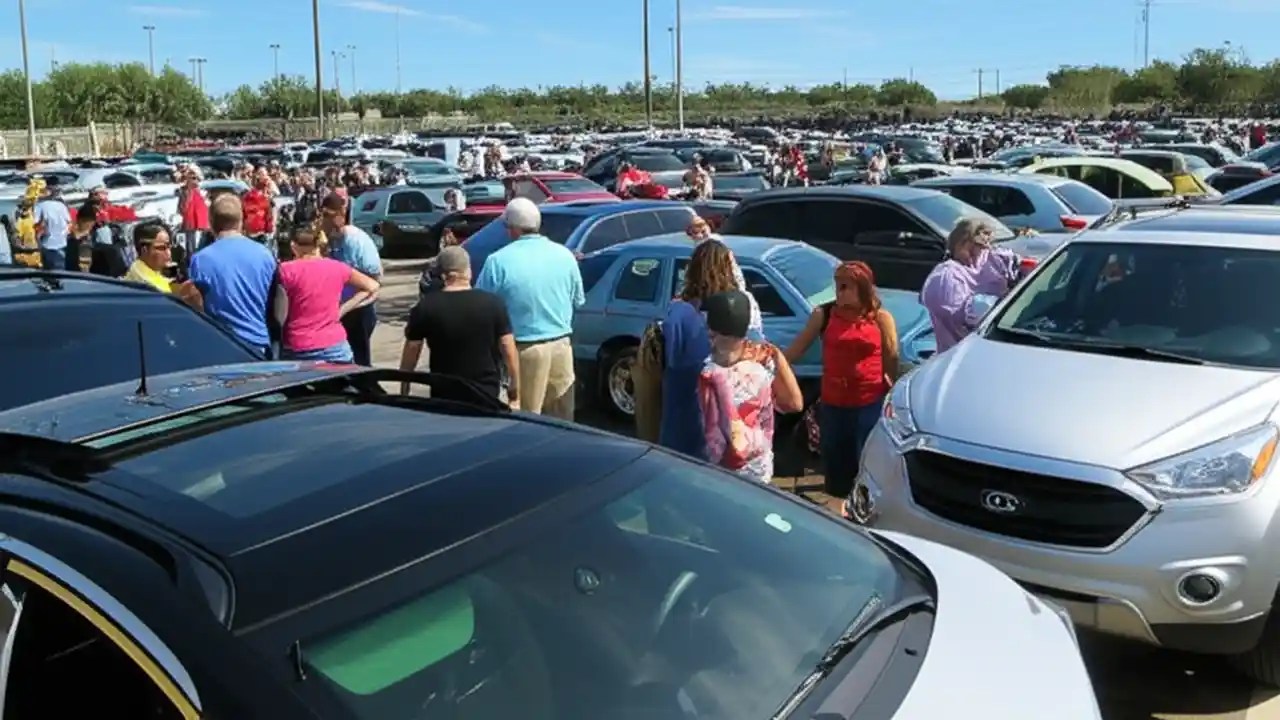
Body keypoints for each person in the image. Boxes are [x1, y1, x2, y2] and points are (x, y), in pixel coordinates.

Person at [785, 261, 899, 506]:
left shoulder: (880, 318)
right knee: (836, 461)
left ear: (863, 288)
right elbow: (798, 348)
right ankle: (838, 506)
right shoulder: (823, 315)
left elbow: (892, 355)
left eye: (846, 286)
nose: (840, 291)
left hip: (869, 401)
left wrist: (890, 385)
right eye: (838, 285)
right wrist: (772, 365)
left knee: (867, 460)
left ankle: (865, 506)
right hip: (834, 402)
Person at [474, 198, 583, 419]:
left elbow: (482, 307)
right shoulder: (565, 255)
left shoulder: (498, 261)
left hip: (523, 349)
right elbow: (578, 300)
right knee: (562, 420)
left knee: (527, 420)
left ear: (511, 229)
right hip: (561, 345)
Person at [697, 290, 803, 482]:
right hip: (759, 471)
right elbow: (794, 403)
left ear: (712, 331)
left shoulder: (706, 370)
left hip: (719, 472)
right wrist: (776, 355)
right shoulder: (765, 362)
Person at [400, 247, 520, 407]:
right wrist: (514, 386)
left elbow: (412, 349)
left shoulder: (426, 307)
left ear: (442, 275)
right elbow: (507, 347)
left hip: (445, 390)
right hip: (485, 390)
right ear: (468, 272)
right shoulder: (493, 303)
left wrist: (404, 385)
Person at [657, 240, 742, 457]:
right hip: (726, 416)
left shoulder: (679, 311)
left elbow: (671, 359)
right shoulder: (738, 308)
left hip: (684, 412)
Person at [188, 194, 279, 356]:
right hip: (258, 344)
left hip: (221, 346)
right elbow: (275, 303)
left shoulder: (201, 260)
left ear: (211, 222)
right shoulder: (265, 254)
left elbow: (197, 308)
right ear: (242, 220)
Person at [274, 227, 380, 362]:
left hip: (297, 347)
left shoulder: (285, 270)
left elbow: (279, 314)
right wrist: (342, 310)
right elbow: (372, 287)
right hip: (335, 347)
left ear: (293, 246)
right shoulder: (338, 267)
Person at [920, 218, 1021, 353]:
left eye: (981, 246)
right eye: (970, 245)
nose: (976, 252)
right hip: (958, 354)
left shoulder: (997, 260)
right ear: (958, 244)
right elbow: (961, 317)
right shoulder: (945, 277)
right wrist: (1004, 305)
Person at [318, 194, 382, 365]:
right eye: (322, 216)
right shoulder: (329, 240)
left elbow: (375, 280)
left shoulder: (355, 240)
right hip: (338, 310)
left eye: (327, 216)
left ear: (339, 215)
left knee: (360, 363)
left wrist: (347, 307)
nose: (324, 222)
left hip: (359, 310)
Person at [123, 222, 202, 307]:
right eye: (161, 248)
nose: (168, 253)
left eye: (169, 247)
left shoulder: (139, 267)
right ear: (144, 250)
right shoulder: (152, 288)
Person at [33, 183, 71, 271]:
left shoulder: (39, 206)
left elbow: (37, 223)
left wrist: (38, 238)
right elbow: (69, 222)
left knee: (48, 273)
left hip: (47, 243)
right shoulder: (62, 206)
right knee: (60, 273)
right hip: (62, 242)